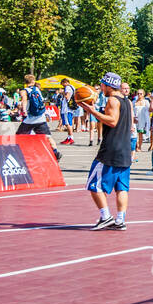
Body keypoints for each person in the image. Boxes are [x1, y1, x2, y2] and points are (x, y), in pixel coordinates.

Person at [79, 73, 133, 230]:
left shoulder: (113, 100)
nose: (101, 87)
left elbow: (113, 121)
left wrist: (92, 111)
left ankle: (106, 216)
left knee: (94, 185)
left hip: (110, 150)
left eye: (103, 85)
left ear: (109, 85)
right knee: (122, 188)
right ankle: (120, 220)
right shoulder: (127, 101)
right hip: (124, 149)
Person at [57, 79, 77, 145]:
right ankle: (69, 137)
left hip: (66, 108)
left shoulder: (68, 88)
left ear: (66, 82)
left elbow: (67, 97)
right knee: (69, 123)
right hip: (69, 108)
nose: (62, 85)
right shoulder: (72, 87)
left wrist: (62, 93)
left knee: (67, 123)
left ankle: (71, 137)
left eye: (63, 84)